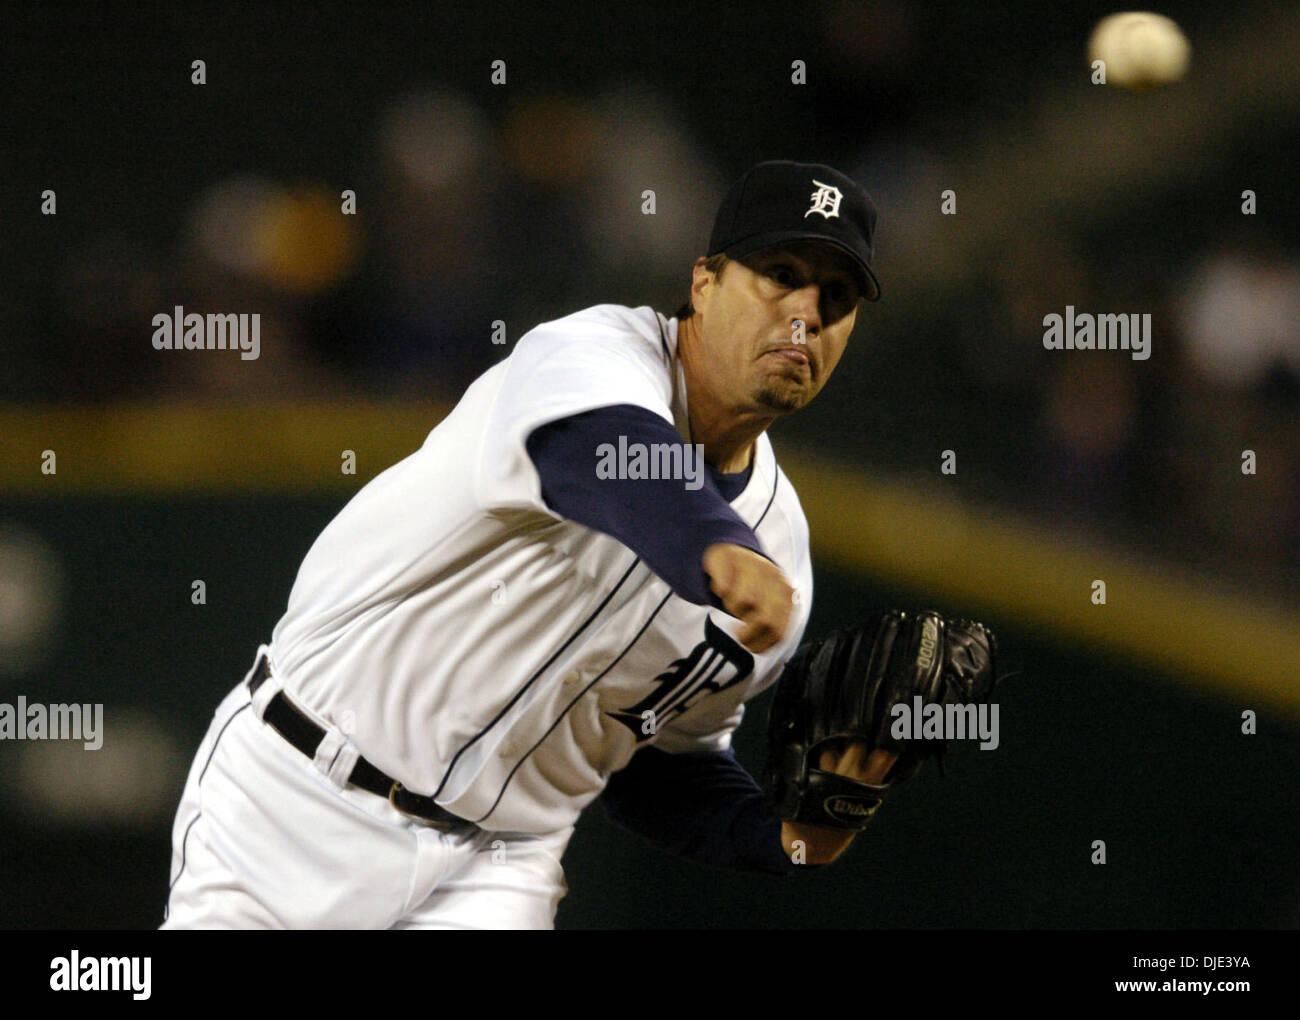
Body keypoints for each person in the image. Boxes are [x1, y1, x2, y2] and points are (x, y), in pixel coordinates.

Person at [163, 160, 891, 930]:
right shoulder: (589, 354)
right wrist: (714, 544)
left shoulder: (785, 560)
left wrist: (786, 837)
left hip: (497, 870)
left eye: (835, 298)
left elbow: (655, 762)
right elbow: (605, 453)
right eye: (781, 274)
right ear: (705, 282)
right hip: (300, 796)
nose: (805, 313)